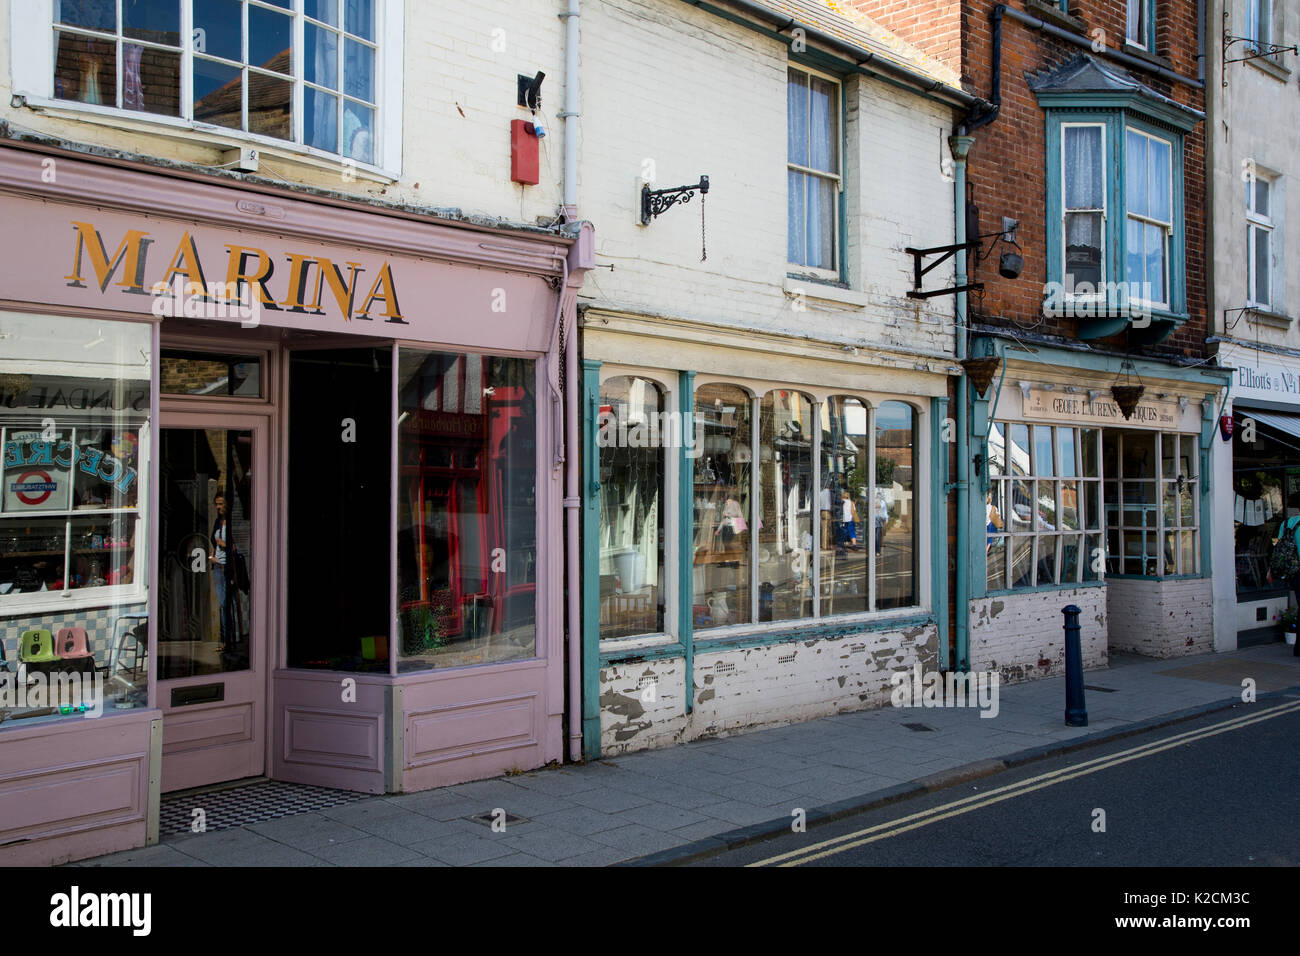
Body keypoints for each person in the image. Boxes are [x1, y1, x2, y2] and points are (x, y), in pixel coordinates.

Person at [210, 490, 236, 646]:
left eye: (221, 504)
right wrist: (211, 558)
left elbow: (233, 547)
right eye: (217, 504)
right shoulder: (218, 522)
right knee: (222, 603)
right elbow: (214, 544)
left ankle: (229, 639)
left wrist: (224, 545)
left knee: (227, 603)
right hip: (218, 565)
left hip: (228, 566)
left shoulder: (232, 522)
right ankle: (226, 639)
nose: (218, 507)